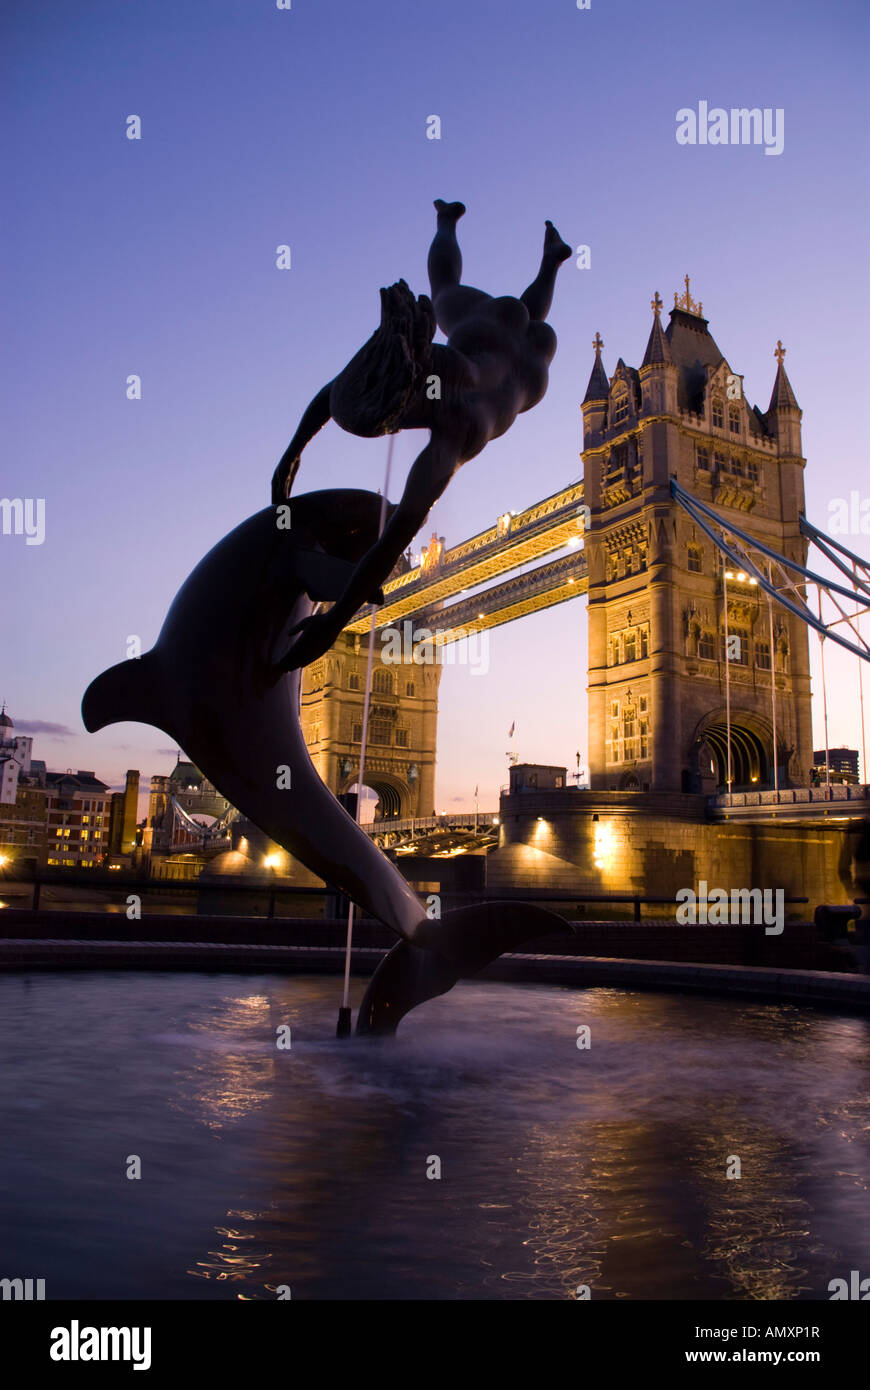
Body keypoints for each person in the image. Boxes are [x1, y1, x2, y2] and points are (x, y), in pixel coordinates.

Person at [273, 200, 571, 669]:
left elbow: (392, 539)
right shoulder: (432, 362)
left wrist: (334, 622)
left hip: (533, 364)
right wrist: (291, 453)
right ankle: (463, 227)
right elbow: (345, 390)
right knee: (452, 291)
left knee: (471, 294)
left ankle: (528, 252)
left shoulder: (455, 438)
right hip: (499, 337)